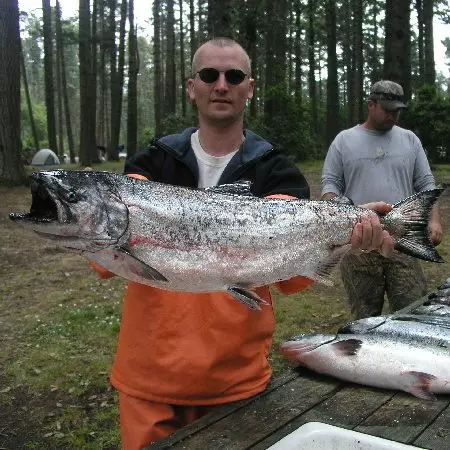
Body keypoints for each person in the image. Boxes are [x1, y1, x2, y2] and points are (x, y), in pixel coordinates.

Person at [93, 38, 394, 449]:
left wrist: (354, 236)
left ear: (249, 87)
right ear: (191, 85)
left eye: (233, 76)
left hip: (238, 382)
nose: (221, 85)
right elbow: (107, 254)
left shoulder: (277, 171)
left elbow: (292, 278)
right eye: (209, 75)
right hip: (150, 380)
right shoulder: (151, 163)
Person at [321, 80, 442, 320]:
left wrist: (435, 221)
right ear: (371, 105)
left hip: (403, 241)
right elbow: (330, 185)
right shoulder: (344, 141)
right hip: (359, 243)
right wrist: (337, 209)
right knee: (365, 317)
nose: (393, 115)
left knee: (413, 312)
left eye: (397, 110)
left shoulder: (410, 141)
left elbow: (426, 184)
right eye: (387, 109)